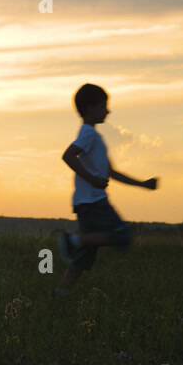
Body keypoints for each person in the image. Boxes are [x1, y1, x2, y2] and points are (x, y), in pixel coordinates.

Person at [55, 83, 158, 297]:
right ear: (90, 108)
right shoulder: (89, 135)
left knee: (84, 257)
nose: (108, 111)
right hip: (94, 203)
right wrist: (92, 179)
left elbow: (111, 172)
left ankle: (61, 293)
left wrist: (142, 184)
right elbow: (67, 155)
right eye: (104, 106)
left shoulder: (94, 138)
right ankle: (73, 240)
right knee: (122, 236)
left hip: (87, 203)